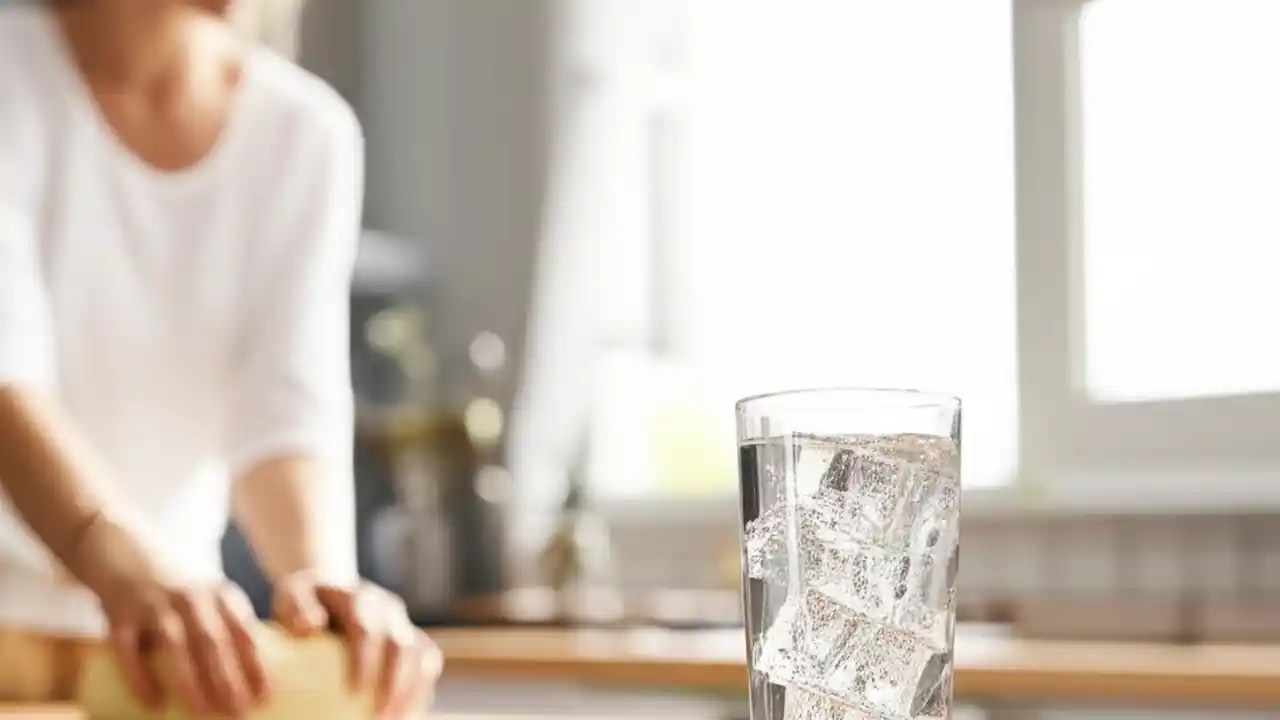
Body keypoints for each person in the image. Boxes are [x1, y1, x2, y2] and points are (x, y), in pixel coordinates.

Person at [0, 0, 441, 716]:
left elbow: (284, 408)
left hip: (166, 658)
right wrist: (119, 561)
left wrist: (320, 585)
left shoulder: (306, 134)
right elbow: (6, 379)